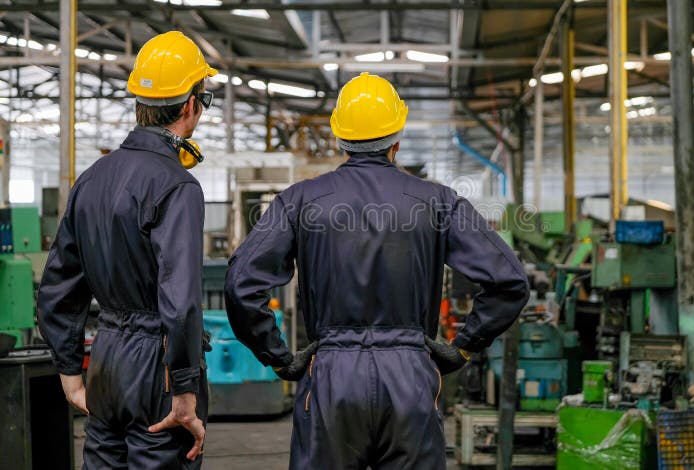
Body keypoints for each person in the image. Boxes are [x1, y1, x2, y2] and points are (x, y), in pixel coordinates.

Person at [224, 72, 529, 469]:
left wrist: (279, 357)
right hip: (411, 376)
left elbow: (241, 285)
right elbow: (509, 281)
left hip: (331, 374)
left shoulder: (298, 201)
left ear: (339, 138)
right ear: (397, 137)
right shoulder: (438, 202)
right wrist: (463, 347)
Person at [37, 31, 216, 469]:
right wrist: (185, 390)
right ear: (191, 105)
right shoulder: (178, 186)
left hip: (106, 357)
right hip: (157, 366)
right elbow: (180, 301)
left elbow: (58, 286)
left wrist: (69, 371)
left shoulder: (92, 178)